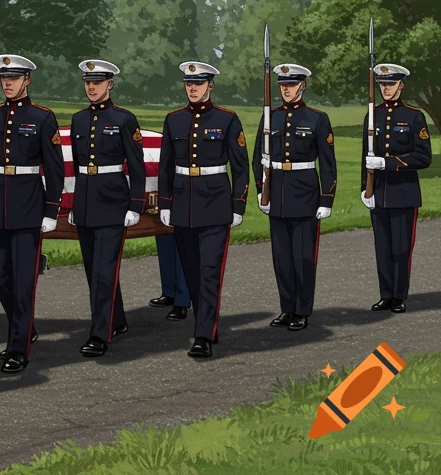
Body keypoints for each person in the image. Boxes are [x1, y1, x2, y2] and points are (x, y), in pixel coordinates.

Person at [0, 54, 63, 374]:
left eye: (14, 78)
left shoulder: (42, 117)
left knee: (24, 280)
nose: (8, 83)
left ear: (27, 80)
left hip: (28, 204)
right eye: (4, 78)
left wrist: (51, 209)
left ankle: (18, 347)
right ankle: (24, 326)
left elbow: (54, 168)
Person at [157, 61, 247, 358]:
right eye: (188, 83)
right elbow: (166, 166)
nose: (192, 88)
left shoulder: (228, 119)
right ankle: (206, 323)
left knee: (210, 271)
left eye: (199, 83)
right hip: (183, 204)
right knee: (192, 272)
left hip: (215, 204)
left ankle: (203, 336)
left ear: (211, 85)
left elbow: (240, 167)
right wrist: (166, 202)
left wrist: (238, 205)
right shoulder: (174, 120)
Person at [66, 59, 145, 357]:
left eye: (97, 82)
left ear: (109, 84)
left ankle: (100, 334)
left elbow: (137, 167)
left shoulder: (124, 120)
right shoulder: (78, 120)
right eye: (88, 82)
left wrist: (134, 205)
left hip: (114, 202)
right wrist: (74, 202)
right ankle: (118, 319)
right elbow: (77, 165)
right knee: (94, 271)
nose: (91, 87)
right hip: (86, 202)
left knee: (103, 272)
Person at [253, 64, 335, 331]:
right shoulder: (269, 118)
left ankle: (302, 310)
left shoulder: (317, 118)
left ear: (303, 86)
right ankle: (287, 308)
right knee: (282, 259)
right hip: (277, 195)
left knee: (302, 258)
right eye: (282, 86)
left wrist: (326, 199)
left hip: (305, 195)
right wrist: (260, 190)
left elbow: (327, 163)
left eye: (291, 85)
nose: (286, 90)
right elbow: (257, 158)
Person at [362, 63, 432, 313]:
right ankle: (386, 294)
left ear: (401, 85)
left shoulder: (414, 116)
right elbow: (365, 157)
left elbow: (424, 157)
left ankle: (400, 295)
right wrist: (365, 189)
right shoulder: (372, 115)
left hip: (403, 192)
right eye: (382, 85)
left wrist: (388, 163)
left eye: (390, 84)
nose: (386, 89)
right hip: (379, 192)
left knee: (401, 248)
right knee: (382, 247)